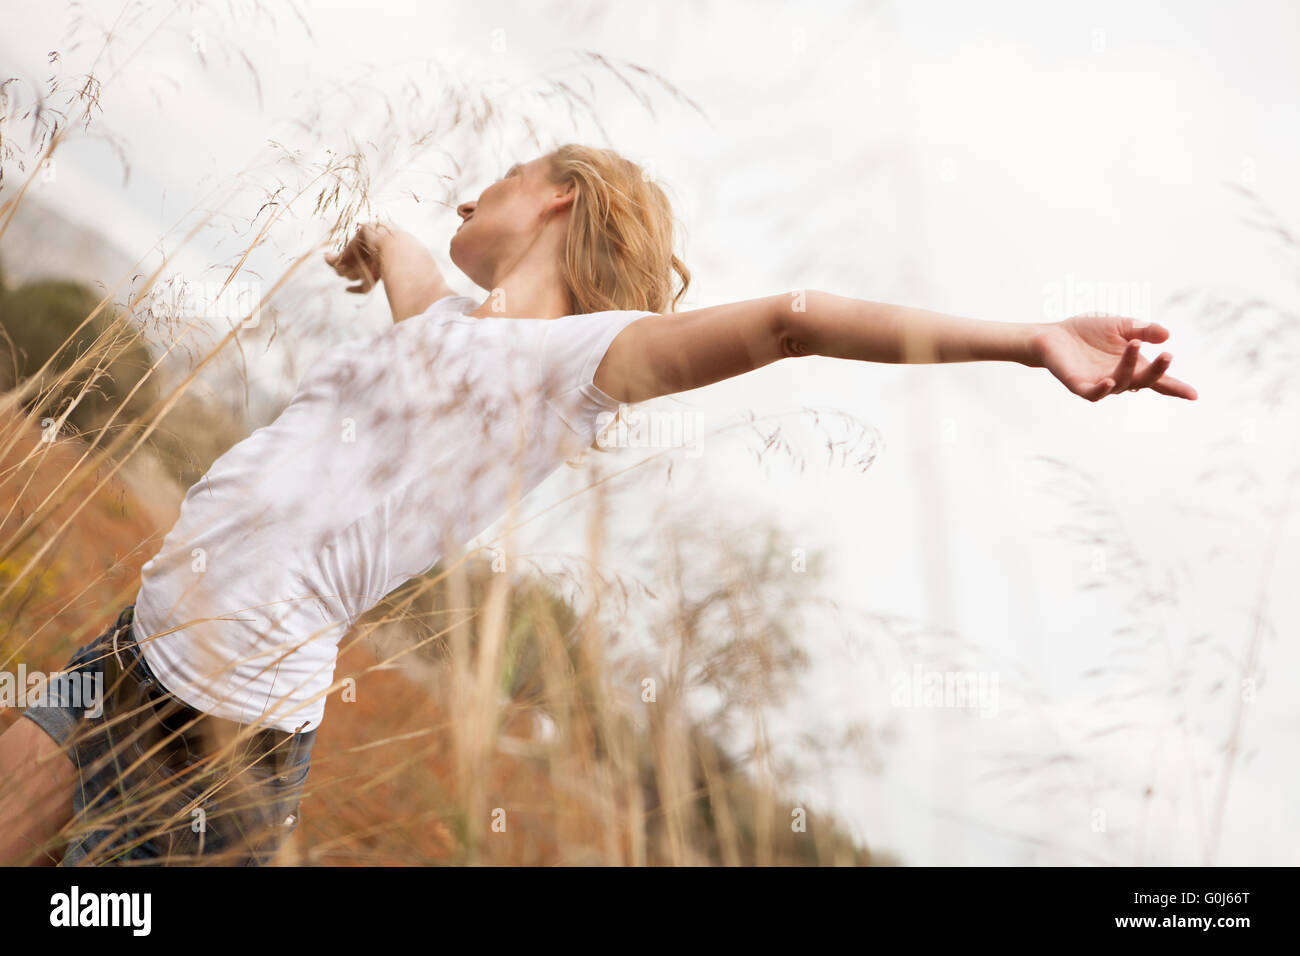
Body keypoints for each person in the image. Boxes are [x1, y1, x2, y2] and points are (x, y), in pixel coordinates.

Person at [0, 143, 1197, 866]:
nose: (477, 185)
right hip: (133, 650)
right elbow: (409, 254)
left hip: (225, 743)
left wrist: (1025, 339)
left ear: (561, 197)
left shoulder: (575, 365)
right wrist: (373, 240)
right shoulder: (447, 331)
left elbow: (791, 319)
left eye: (504, 174)